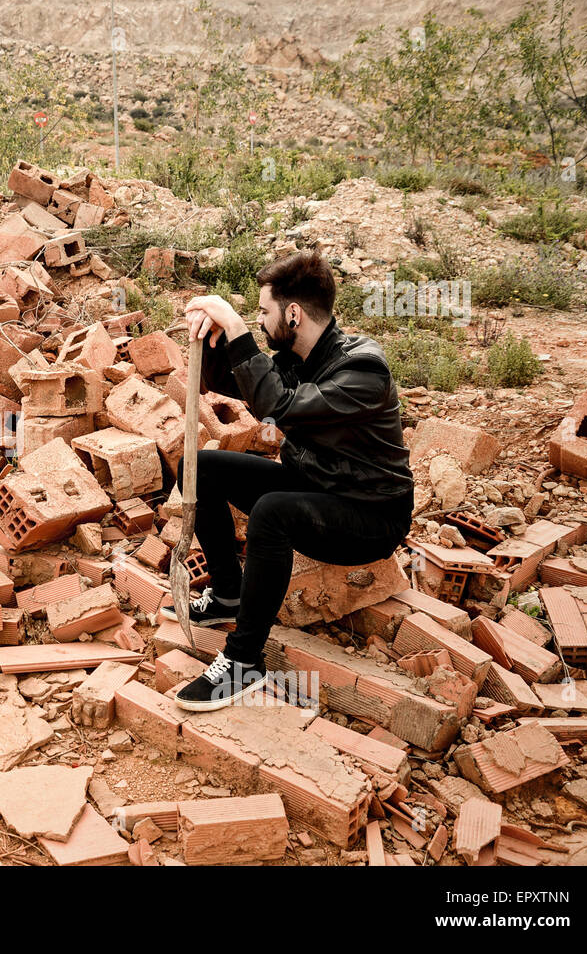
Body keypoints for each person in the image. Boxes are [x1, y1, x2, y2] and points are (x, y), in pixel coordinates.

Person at [169, 251, 414, 711]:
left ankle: (244, 662)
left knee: (272, 514)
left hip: (370, 516)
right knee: (198, 467)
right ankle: (226, 593)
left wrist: (238, 330)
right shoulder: (300, 356)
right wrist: (218, 340)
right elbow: (247, 384)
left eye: (264, 312)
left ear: (294, 313)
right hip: (315, 486)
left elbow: (276, 405)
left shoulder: (363, 371)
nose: (260, 322)